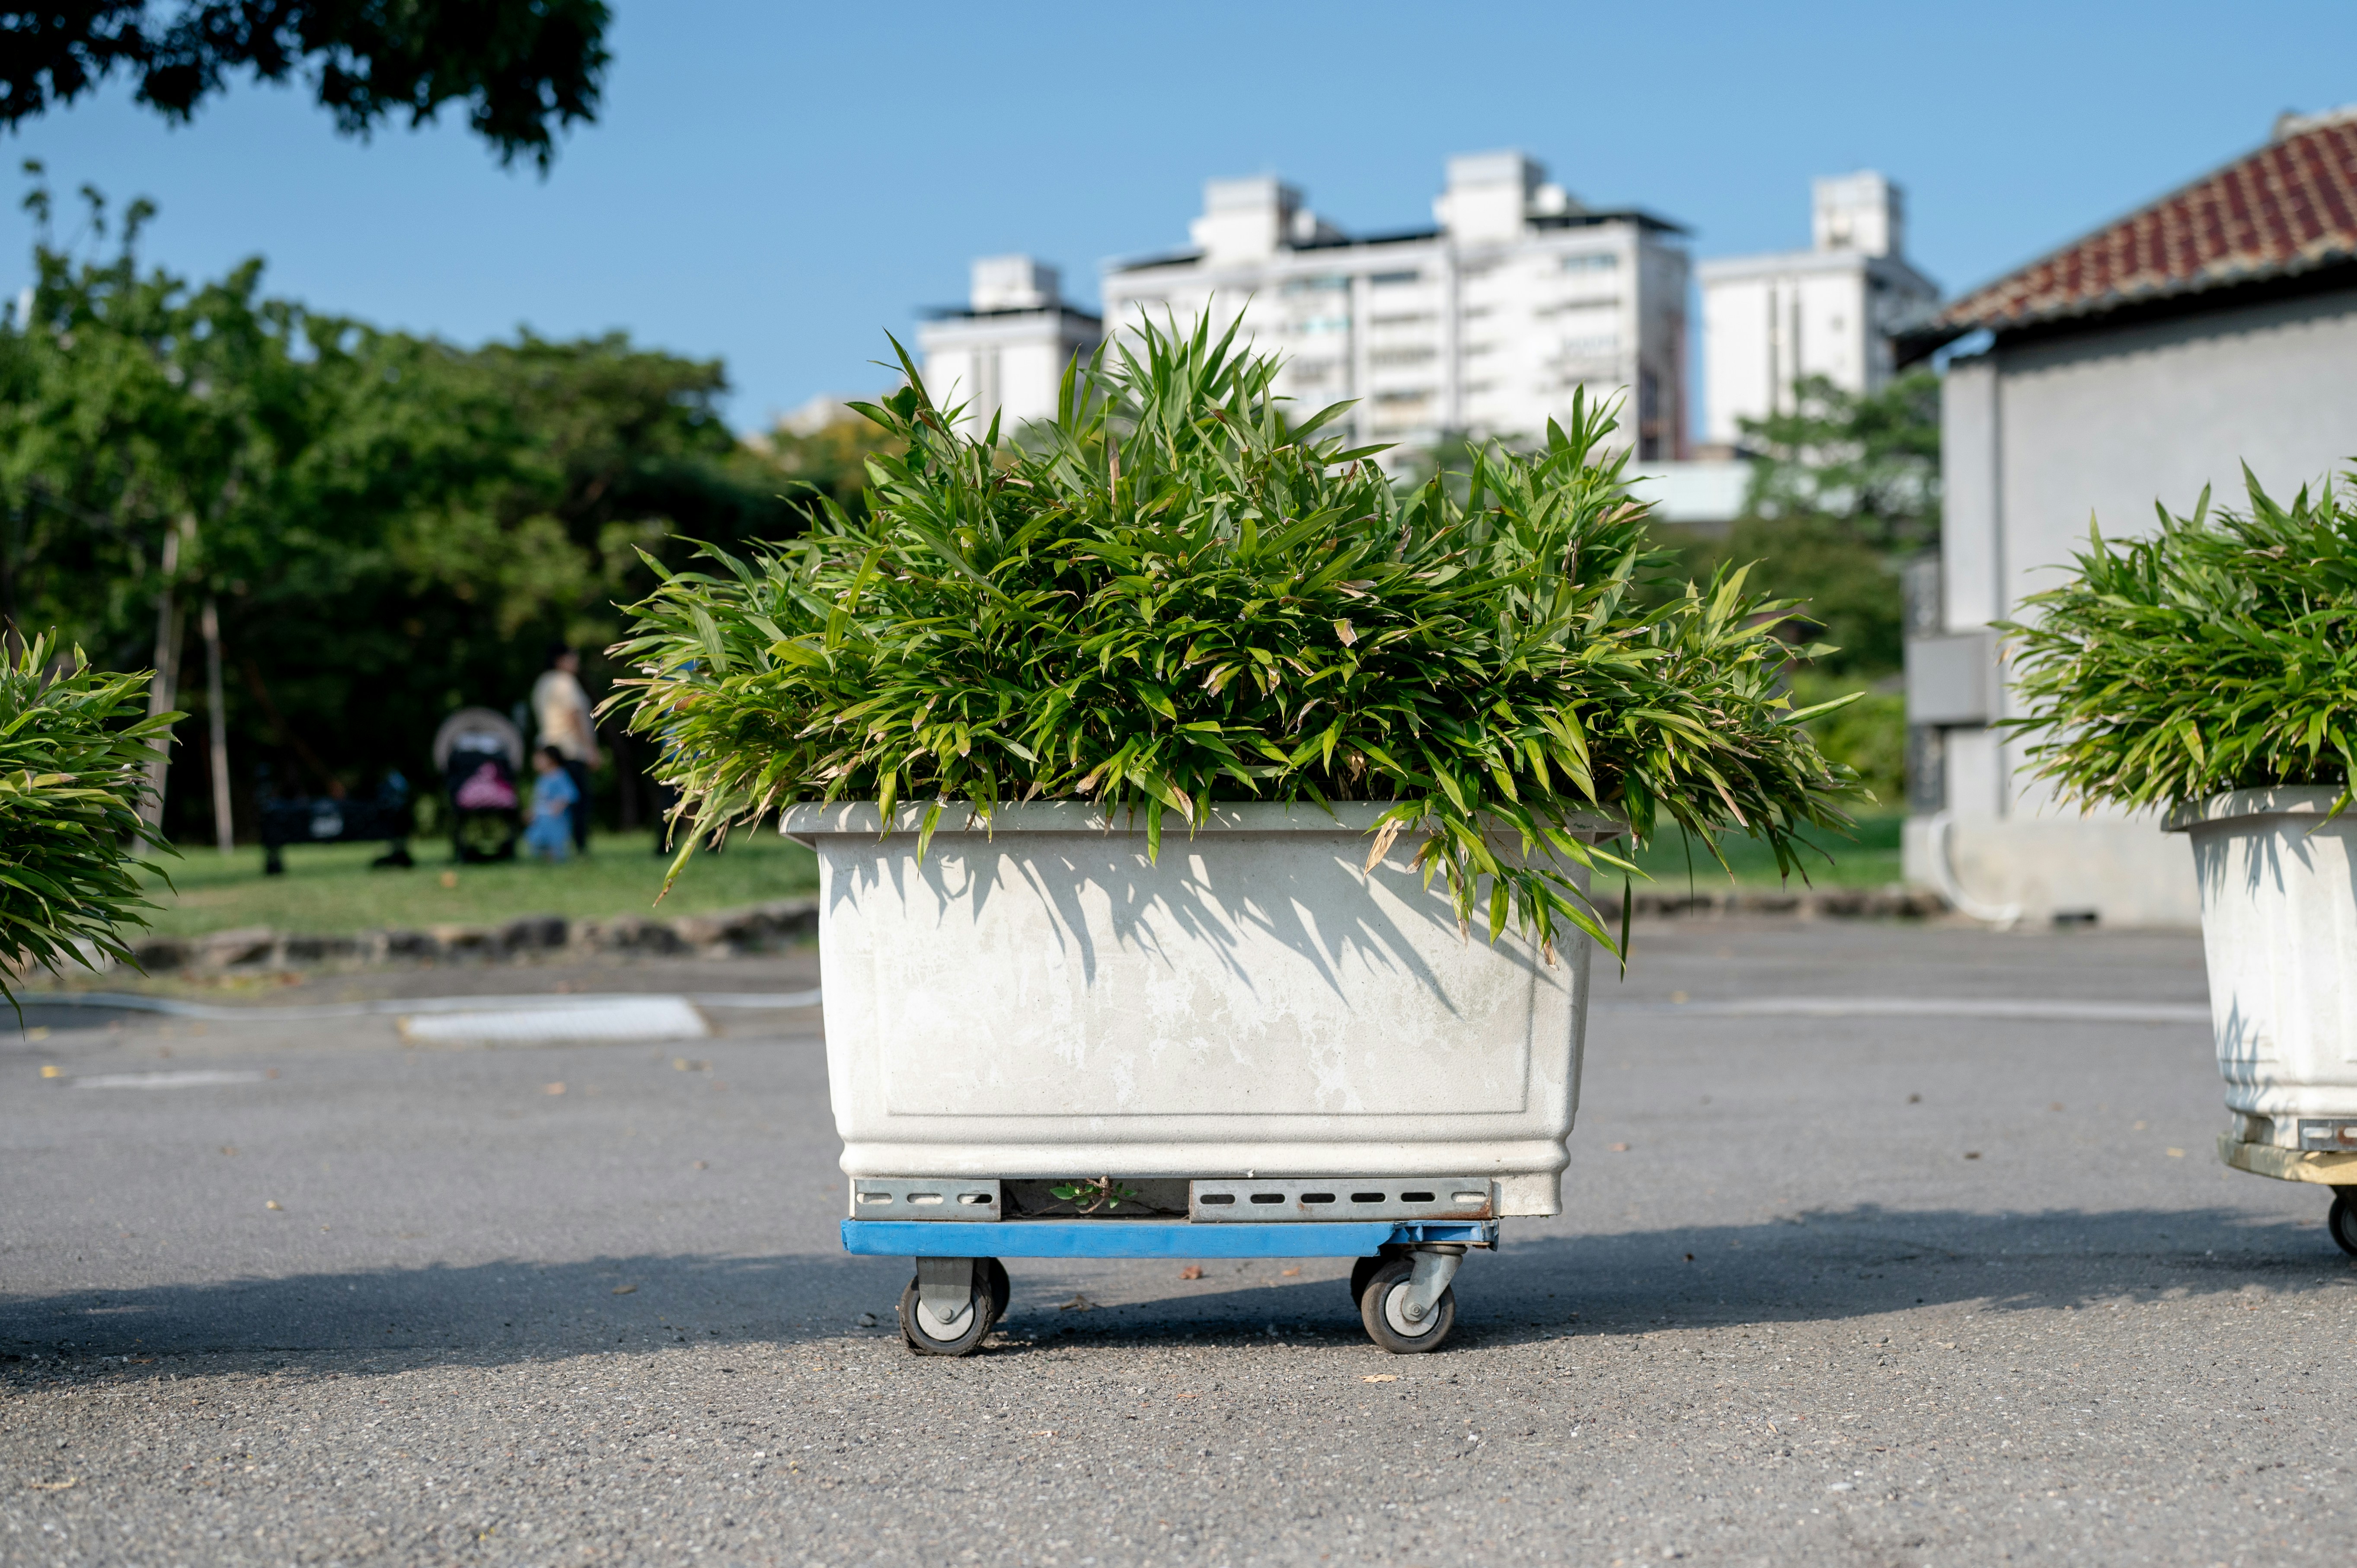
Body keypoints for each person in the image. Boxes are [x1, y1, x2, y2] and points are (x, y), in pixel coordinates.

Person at [531, 644, 600, 853]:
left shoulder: (542, 683)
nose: (576, 661)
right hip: (569, 750)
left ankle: (549, 846)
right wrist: (590, 749)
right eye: (573, 657)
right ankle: (579, 847)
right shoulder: (566, 682)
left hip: (547, 748)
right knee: (576, 801)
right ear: (561, 660)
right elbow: (574, 716)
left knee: (549, 801)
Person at [521, 746, 578, 861]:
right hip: (541, 817)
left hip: (555, 818)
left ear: (552, 760)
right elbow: (538, 798)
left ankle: (555, 861)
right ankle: (544, 861)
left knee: (555, 841)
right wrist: (532, 811)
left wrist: (559, 805)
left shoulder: (560, 775)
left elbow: (570, 794)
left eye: (540, 759)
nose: (536, 762)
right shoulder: (541, 779)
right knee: (538, 840)